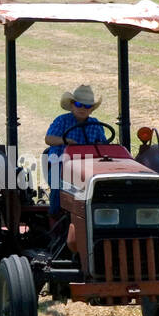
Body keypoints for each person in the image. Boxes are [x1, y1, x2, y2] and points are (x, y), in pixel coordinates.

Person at [43, 84, 109, 217]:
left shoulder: (95, 125)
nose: (83, 108)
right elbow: (49, 139)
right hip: (61, 163)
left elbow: (103, 145)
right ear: (72, 105)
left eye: (87, 106)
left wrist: (102, 145)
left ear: (91, 109)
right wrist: (65, 140)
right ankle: (55, 217)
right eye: (79, 104)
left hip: (88, 166)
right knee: (58, 184)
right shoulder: (62, 121)